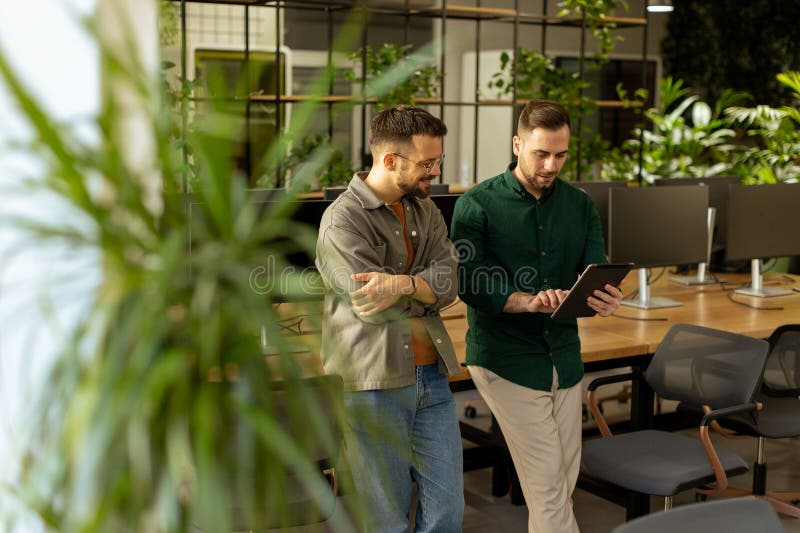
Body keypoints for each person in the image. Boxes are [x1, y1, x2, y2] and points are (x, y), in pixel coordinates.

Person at [450, 98, 623, 533]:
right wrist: (525, 300)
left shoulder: (579, 205)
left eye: (560, 155)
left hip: (563, 355)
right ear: (517, 144)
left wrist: (605, 296)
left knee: (563, 477)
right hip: (505, 358)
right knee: (548, 484)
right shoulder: (477, 204)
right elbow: (469, 281)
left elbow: (595, 268)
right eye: (540, 153)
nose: (551, 165)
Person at [315, 105, 463, 532]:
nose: (433, 171)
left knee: (447, 515)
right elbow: (368, 303)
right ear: (390, 160)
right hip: (372, 383)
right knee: (387, 520)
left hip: (432, 376)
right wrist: (423, 289)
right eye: (426, 163)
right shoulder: (341, 221)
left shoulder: (425, 210)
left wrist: (398, 285)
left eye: (438, 161)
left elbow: (450, 279)